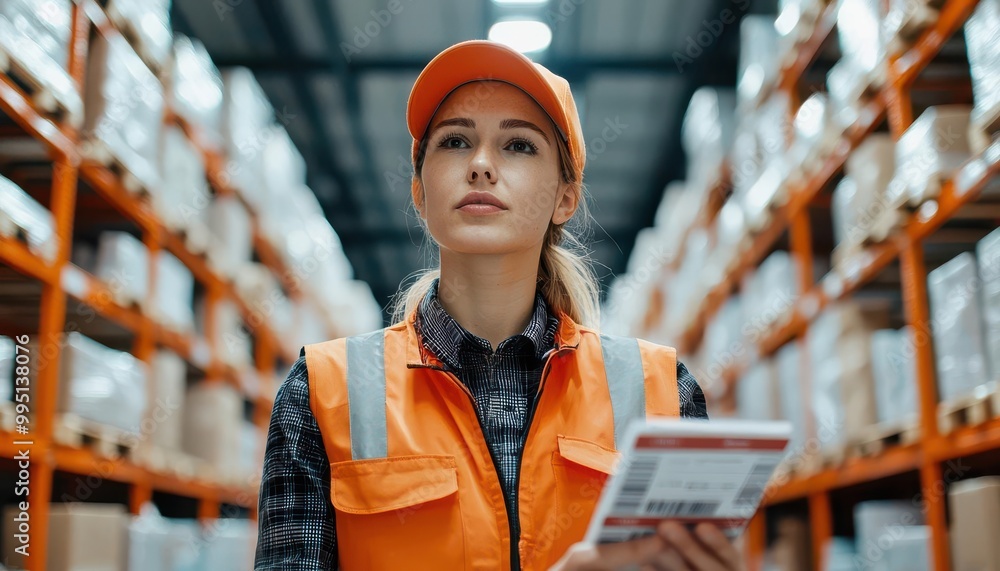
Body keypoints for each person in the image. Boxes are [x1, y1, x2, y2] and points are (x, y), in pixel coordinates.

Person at [254, 40, 743, 571]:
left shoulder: (664, 393)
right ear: (419, 191)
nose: (482, 165)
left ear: (564, 197)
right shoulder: (322, 392)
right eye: (456, 141)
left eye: (519, 146)